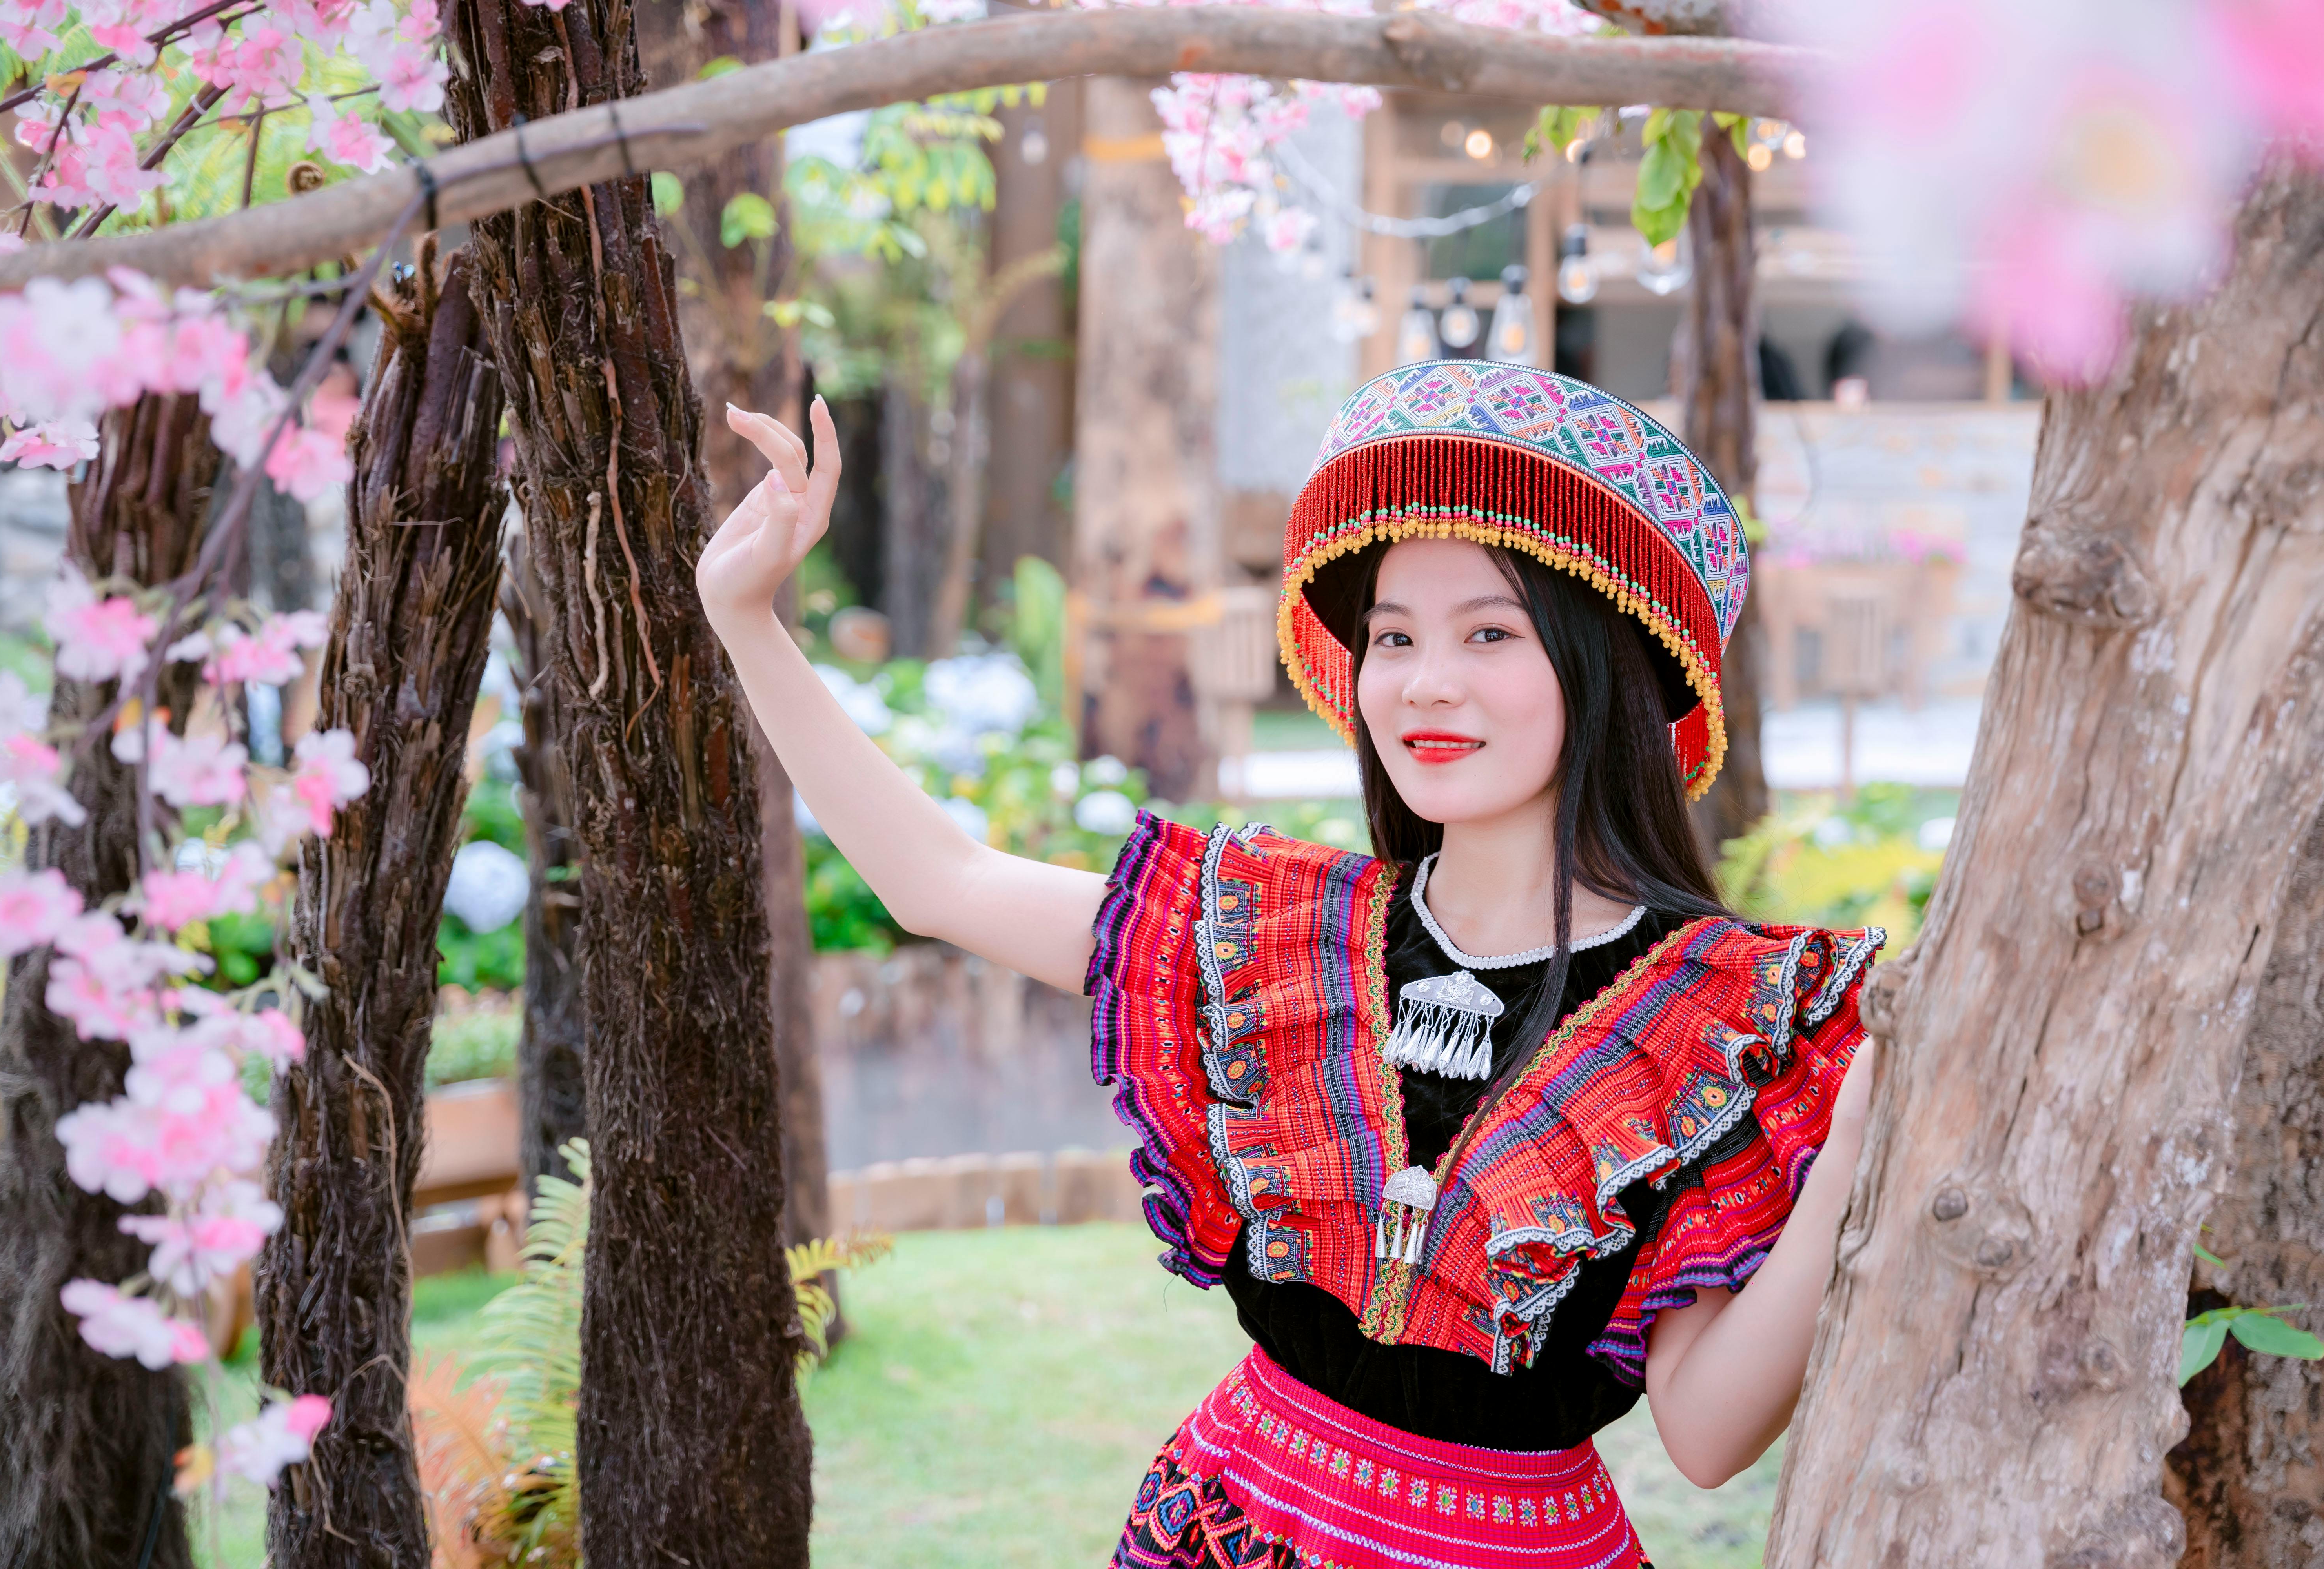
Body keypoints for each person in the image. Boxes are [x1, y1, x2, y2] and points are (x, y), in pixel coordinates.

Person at [699, 359, 1882, 1569]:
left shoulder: (1726, 1016)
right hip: (1228, 1526)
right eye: (1394, 636)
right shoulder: (1276, 936)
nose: (1427, 682)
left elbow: (1706, 1435)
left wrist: (1855, 1139)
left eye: (1491, 634)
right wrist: (748, 617)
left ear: (1608, 662)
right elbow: (938, 883)